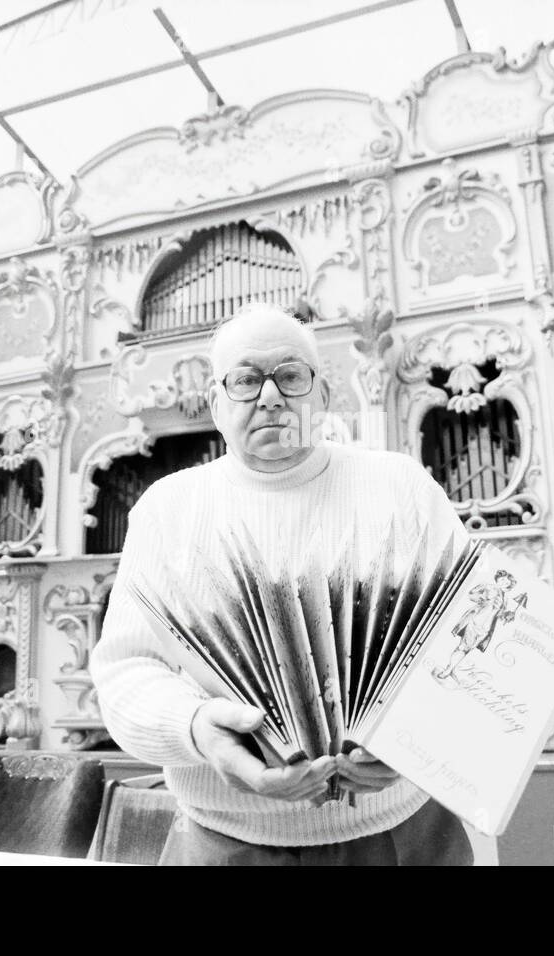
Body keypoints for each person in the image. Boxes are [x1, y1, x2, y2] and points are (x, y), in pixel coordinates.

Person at [91, 302, 474, 865]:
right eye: (245, 380)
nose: (270, 396)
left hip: (404, 834)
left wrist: (419, 738)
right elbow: (125, 674)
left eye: (291, 376)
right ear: (217, 405)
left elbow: (476, 643)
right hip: (224, 844)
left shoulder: (402, 489)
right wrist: (197, 729)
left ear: (322, 395)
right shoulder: (167, 510)